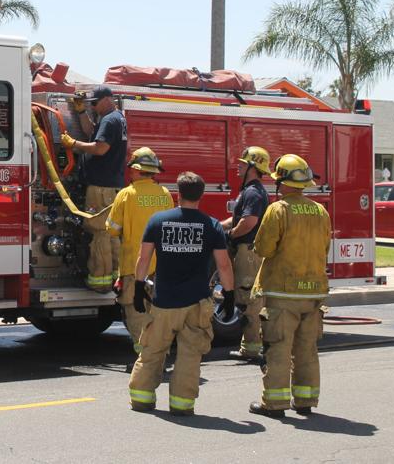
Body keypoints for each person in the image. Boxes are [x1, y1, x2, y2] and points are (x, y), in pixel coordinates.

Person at [128, 171, 235, 416]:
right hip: (196, 303)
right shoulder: (212, 225)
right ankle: (181, 404)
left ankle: (142, 399)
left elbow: (143, 258)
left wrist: (137, 287)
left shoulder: (158, 221)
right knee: (189, 355)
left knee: (153, 351)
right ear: (202, 195)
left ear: (178, 194)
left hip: (163, 302)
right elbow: (224, 265)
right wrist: (229, 295)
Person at [249, 154, 331, 419]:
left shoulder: (279, 209)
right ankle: (305, 401)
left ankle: (275, 404)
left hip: (283, 293)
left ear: (281, 180)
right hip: (314, 292)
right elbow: (325, 247)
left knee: (278, 348)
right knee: (307, 349)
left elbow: (264, 248)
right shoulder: (321, 211)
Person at [106, 147, 174, 356]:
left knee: (134, 309)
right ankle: (159, 347)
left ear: (136, 170)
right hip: (162, 265)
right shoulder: (165, 195)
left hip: (134, 264)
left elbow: (113, 229)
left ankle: (145, 351)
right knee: (158, 309)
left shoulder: (126, 195)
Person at [60, 86, 128, 291]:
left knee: (100, 233)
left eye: (95, 103)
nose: (94, 107)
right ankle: (115, 276)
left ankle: (100, 281)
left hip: (101, 188)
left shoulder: (109, 120)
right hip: (109, 186)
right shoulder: (114, 118)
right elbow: (93, 134)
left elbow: (100, 148)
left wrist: (73, 144)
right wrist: (81, 112)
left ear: (108, 99)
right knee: (110, 233)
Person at [220, 146, 271, 361]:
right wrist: (216, 226)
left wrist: (230, 235)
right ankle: (249, 346)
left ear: (253, 167)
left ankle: (252, 349)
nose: (238, 166)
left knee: (250, 301)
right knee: (247, 299)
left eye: (243, 163)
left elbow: (248, 222)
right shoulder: (251, 191)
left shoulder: (253, 192)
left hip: (248, 253)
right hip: (248, 252)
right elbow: (239, 218)